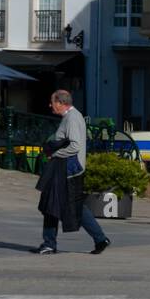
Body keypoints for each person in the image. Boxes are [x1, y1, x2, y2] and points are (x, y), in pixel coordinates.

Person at [35, 91, 110, 256]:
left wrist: (55, 154)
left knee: (56, 205)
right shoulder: (71, 117)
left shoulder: (73, 118)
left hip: (68, 170)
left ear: (61, 103)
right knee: (59, 205)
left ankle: (50, 243)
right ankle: (99, 239)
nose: (50, 105)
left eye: (52, 102)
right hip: (65, 169)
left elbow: (75, 146)